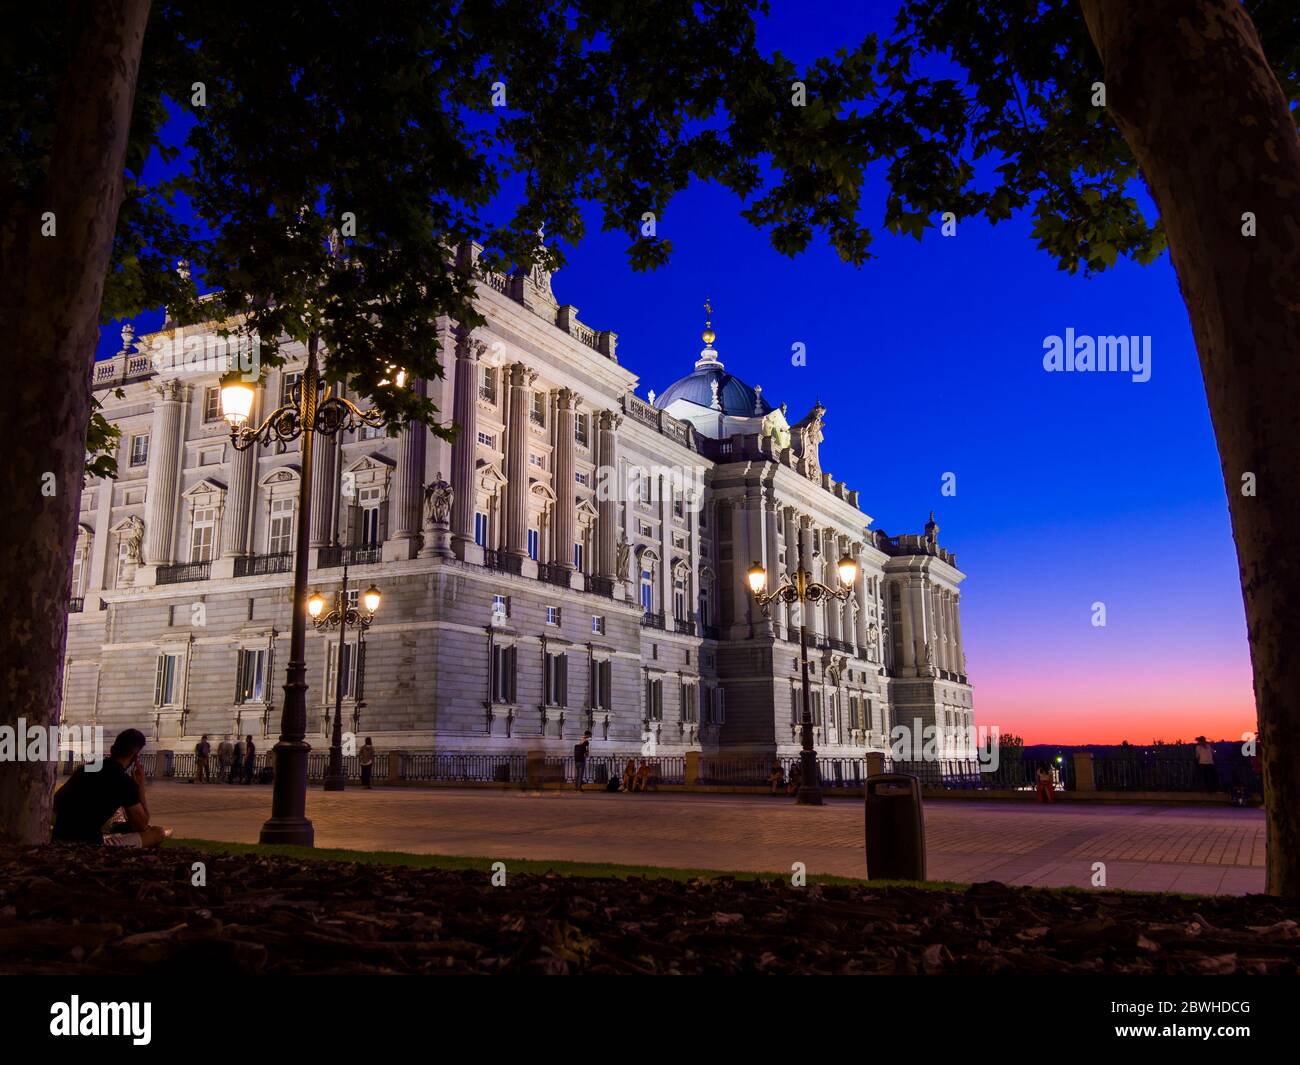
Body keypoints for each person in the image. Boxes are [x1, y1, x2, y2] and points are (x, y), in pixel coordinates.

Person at [52, 728, 170, 848]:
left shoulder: (86, 769)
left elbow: (56, 803)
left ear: (112, 749)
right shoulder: (124, 782)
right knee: (158, 833)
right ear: (135, 758)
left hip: (59, 838)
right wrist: (140, 787)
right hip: (90, 845)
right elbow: (141, 825)